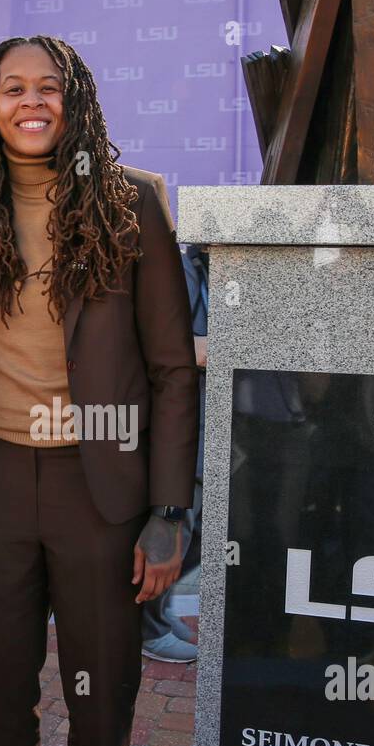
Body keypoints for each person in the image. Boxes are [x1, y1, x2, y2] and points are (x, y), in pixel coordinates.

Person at [0, 36, 199, 746]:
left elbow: (170, 370)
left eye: (47, 87)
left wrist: (170, 510)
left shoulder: (132, 206)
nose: (31, 102)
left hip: (103, 488)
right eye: (12, 88)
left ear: (75, 98)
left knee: (102, 694)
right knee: (1, 687)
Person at [140, 244, 210, 663]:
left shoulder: (227, 267)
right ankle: (148, 628)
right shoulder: (178, 265)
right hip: (183, 420)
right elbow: (154, 336)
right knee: (175, 525)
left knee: (203, 530)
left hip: (223, 417)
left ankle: (159, 610)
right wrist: (199, 347)